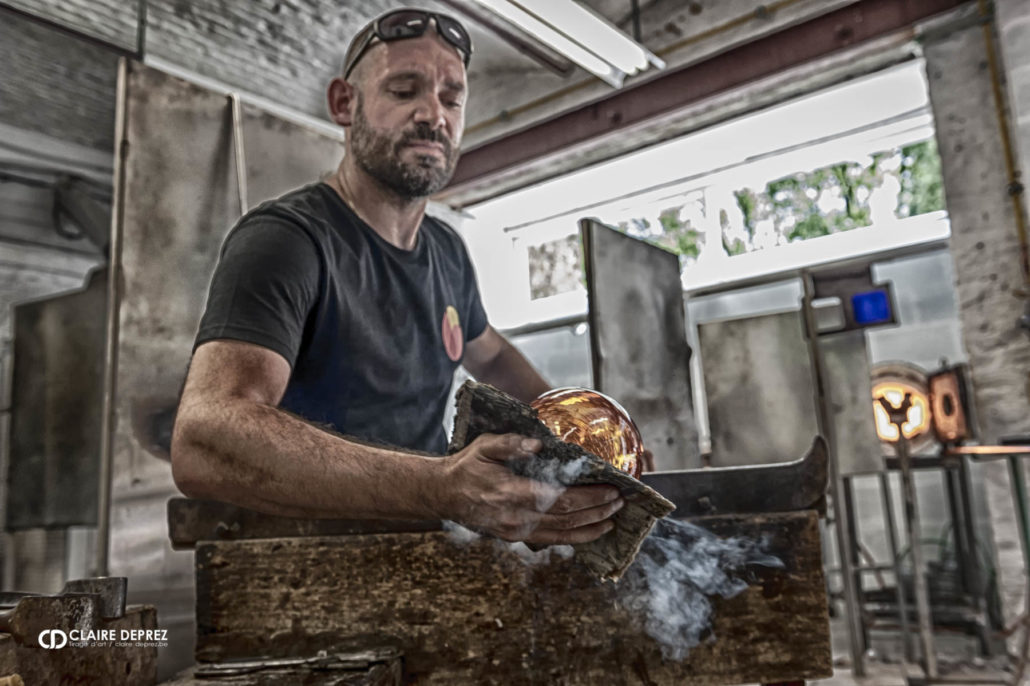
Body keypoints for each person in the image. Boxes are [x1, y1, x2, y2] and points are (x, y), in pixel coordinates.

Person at [170, 8, 626, 546]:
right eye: (404, 90)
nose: (432, 115)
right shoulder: (286, 240)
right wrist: (442, 486)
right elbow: (203, 440)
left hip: (427, 541)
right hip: (303, 560)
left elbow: (491, 354)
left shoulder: (447, 251)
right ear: (345, 103)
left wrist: (581, 431)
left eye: (451, 98)